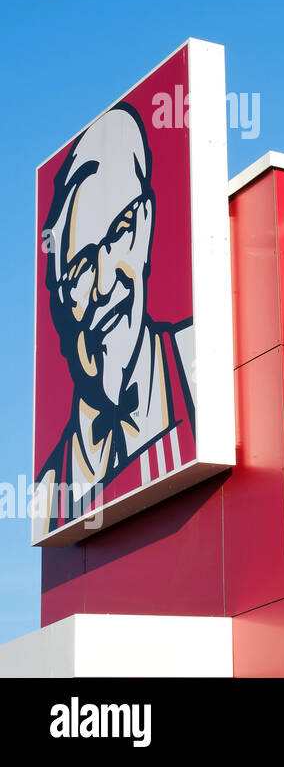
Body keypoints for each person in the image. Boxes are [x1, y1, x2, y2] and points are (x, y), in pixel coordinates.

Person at [34, 103, 195, 539]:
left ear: (145, 225)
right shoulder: (50, 495)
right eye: (82, 265)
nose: (106, 283)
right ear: (63, 300)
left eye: (119, 231)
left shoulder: (201, 371)